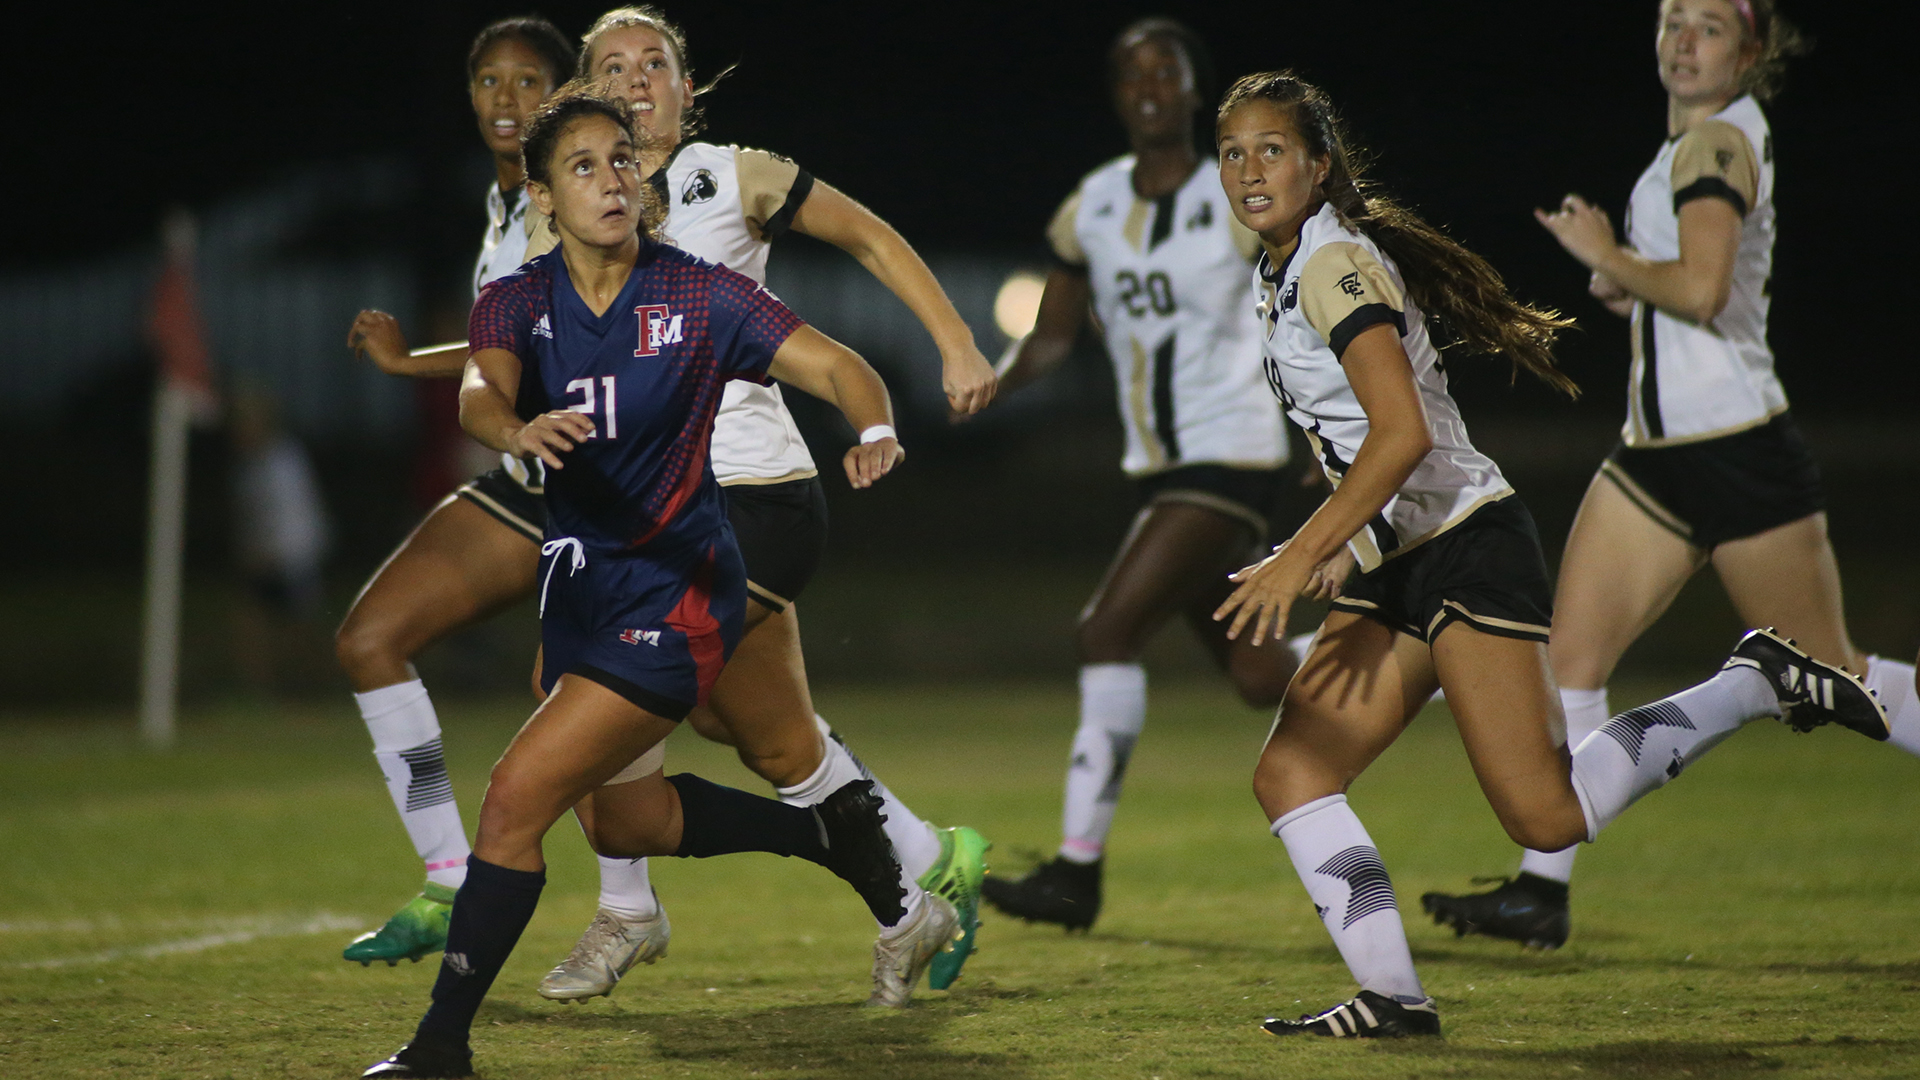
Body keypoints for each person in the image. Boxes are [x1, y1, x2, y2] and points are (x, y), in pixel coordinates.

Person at [1210, 70, 1888, 1039]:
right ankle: (1395, 999)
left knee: (1547, 819)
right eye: (1233, 151)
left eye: (1271, 148)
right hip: (1402, 552)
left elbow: (1400, 434)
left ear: (1319, 166)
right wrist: (1336, 539)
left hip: (1465, 549)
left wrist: (1302, 553)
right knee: (1293, 773)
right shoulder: (1279, 269)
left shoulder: (1329, 263)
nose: (1249, 168)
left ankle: (1750, 683)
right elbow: (1367, 444)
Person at [364, 87, 957, 1080]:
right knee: (627, 821)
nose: (610, 179)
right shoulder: (516, 298)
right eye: (583, 166)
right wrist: (515, 431)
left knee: (513, 801)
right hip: (580, 591)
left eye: (620, 161)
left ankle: (440, 1048)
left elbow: (842, 366)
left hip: (679, 595)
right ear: (544, 198)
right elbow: (479, 392)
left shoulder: (700, 294)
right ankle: (829, 832)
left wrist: (878, 426)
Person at [1420, 0, 1920, 950]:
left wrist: (1609, 257)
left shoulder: (1716, 146)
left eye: (1711, 26)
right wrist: (1626, 283)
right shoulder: (1698, 146)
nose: (1685, 40)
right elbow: (1689, 289)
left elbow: (1701, 289)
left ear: (1753, 47)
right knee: (1568, 660)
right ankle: (1541, 892)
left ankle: (1543, 885)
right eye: (1672, 20)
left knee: (1838, 680)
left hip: (1735, 453)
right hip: (1658, 456)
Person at [522, 4, 996, 999]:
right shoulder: (563, 214)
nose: (637, 77)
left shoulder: (724, 174)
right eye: (613, 65)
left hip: (750, 499)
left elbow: (864, 234)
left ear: (688, 90)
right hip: (647, 519)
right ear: (583, 94)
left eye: (657, 63)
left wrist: (952, 342)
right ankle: (912, 901)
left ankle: (626, 910)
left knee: (576, 695)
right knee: (771, 741)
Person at [981, 18, 1303, 933]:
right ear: (1118, 96)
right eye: (1133, 75)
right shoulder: (1091, 206)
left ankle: (1076, 874)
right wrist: (987, 385)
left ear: (1196, 92)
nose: (1151, 87)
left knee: (1105, 630)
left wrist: (1336, 435)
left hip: (1231, 460)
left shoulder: (1236, 192)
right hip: (1160, 473)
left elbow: (1305, 309)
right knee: (1257, 674)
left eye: (1167, 72)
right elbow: (1052, 333)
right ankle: (1429, 657)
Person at [335, 16, 580, 967]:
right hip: (528, 479)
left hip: (599, 488)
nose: (506, 100)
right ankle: (448, 878)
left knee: (740, 734)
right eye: (488, 82)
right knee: (370, 639)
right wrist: (408, 364)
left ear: (562, 94)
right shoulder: (506, 203)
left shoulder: (583, 197)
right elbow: (506, 345)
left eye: (527, 82)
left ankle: (905, 850)